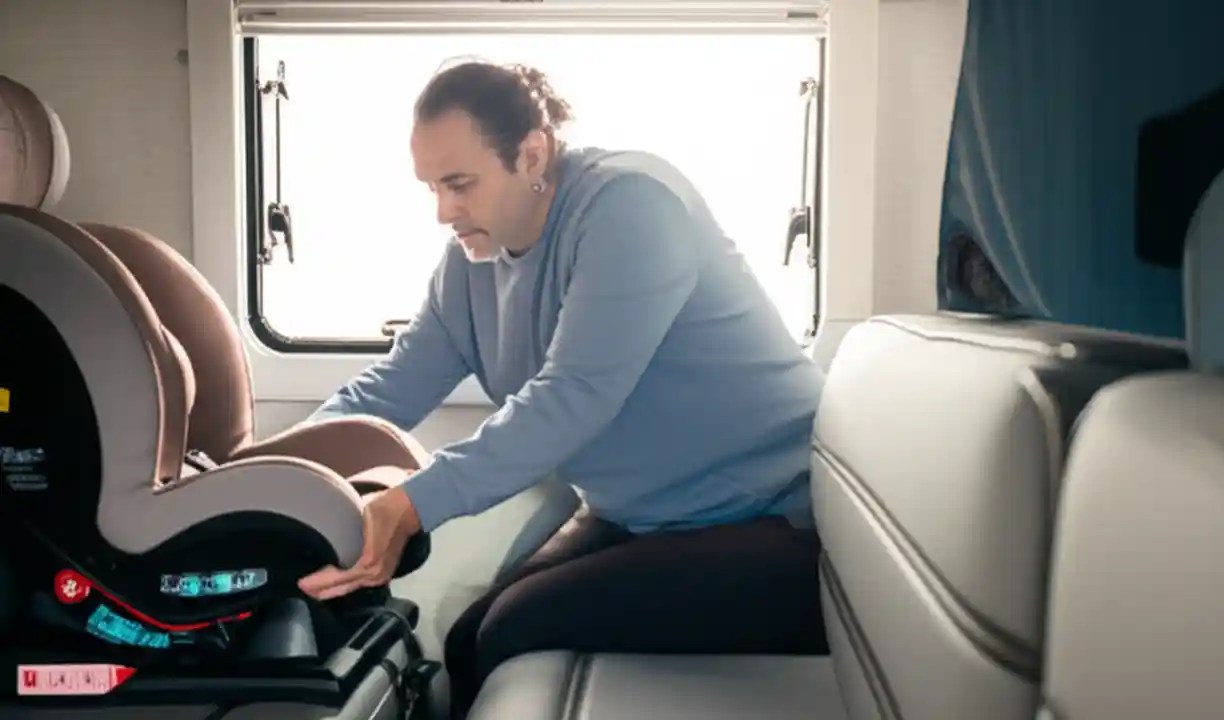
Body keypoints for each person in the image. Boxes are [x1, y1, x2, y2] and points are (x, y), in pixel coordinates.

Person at [295, 58, 829, 717]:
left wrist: (407, 506)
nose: (442, 211)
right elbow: (390, 388)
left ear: (532, 153)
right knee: (463, 639)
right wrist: (278, 472)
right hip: (640, 519)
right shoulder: (470, 265)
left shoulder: (631, 206)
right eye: (431, 187)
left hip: (773, 522)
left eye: (460, 183)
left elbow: (572, 397)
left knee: (506, 631)